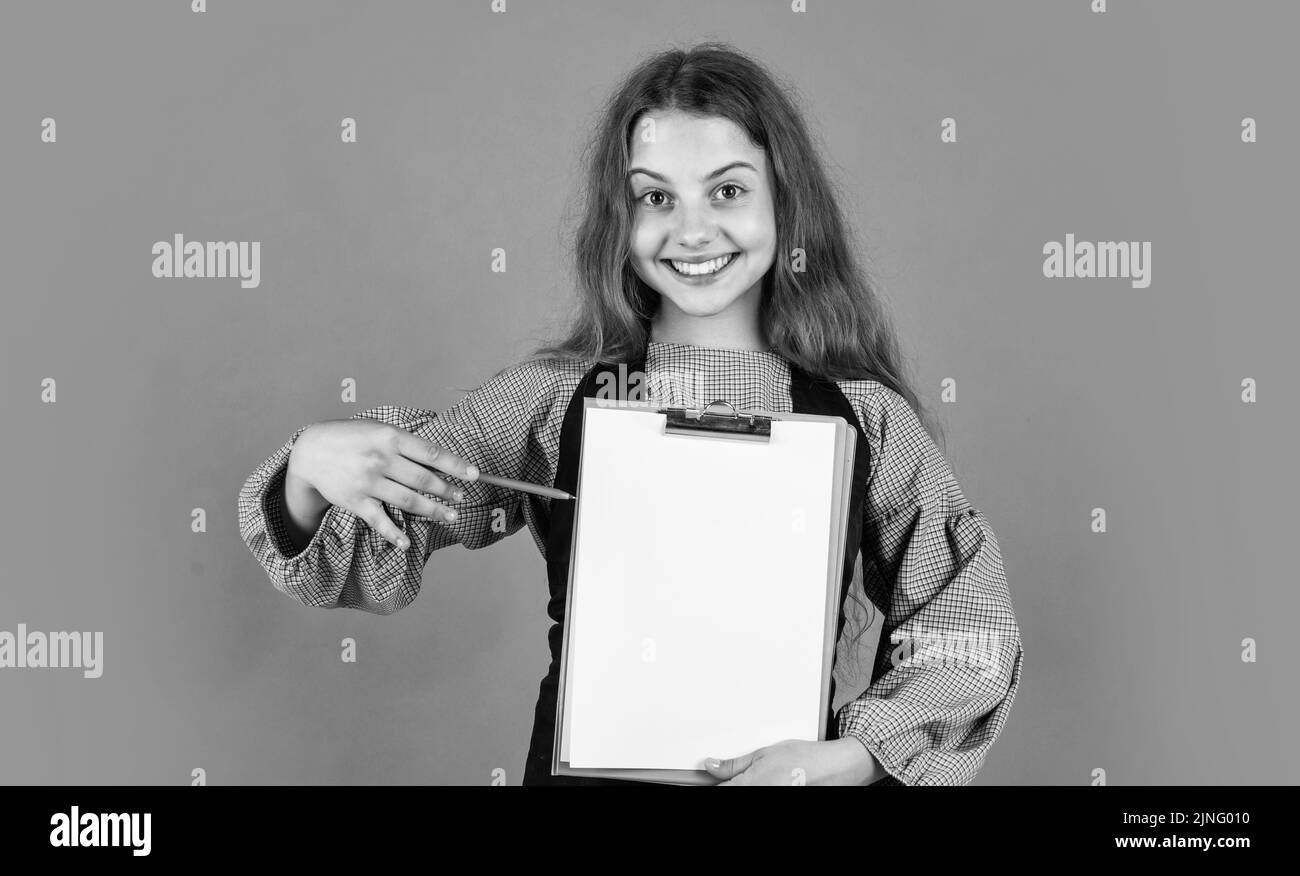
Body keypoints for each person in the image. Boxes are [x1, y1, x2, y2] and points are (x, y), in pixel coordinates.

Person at [238, 42, 1024, 786]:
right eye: (656, 197)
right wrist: (314, 467)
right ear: (623, 220)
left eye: (727, 190)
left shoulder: (867, 421)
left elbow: (968, 623)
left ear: (787, 205)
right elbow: (380, 533)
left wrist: (850, 756)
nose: (691, 230)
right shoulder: (555, 399)